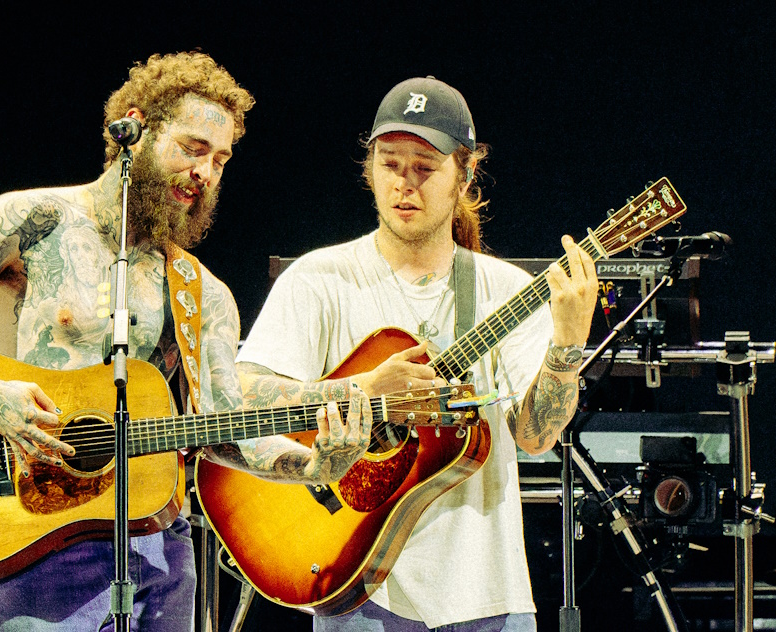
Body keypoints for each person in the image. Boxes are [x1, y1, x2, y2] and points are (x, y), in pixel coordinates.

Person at [0, 51, 371, 632]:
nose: (206, 173)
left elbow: (223, 428)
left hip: (158, 552)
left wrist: (315, 464)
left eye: (221, 160)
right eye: (193, 148)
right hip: (34, 545)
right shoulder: (33, 220)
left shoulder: (203, 292)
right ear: (134, 128)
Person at [235, 76, 599, 631]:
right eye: (390, 164)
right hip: (355, 586)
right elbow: (241, 398)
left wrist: (568, 346)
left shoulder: (503, 289)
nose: (405, 185)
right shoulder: (319, 278)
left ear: (466, 172)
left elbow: (535, 435)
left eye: (425, 168)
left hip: (488, 596)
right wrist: (362, 393)